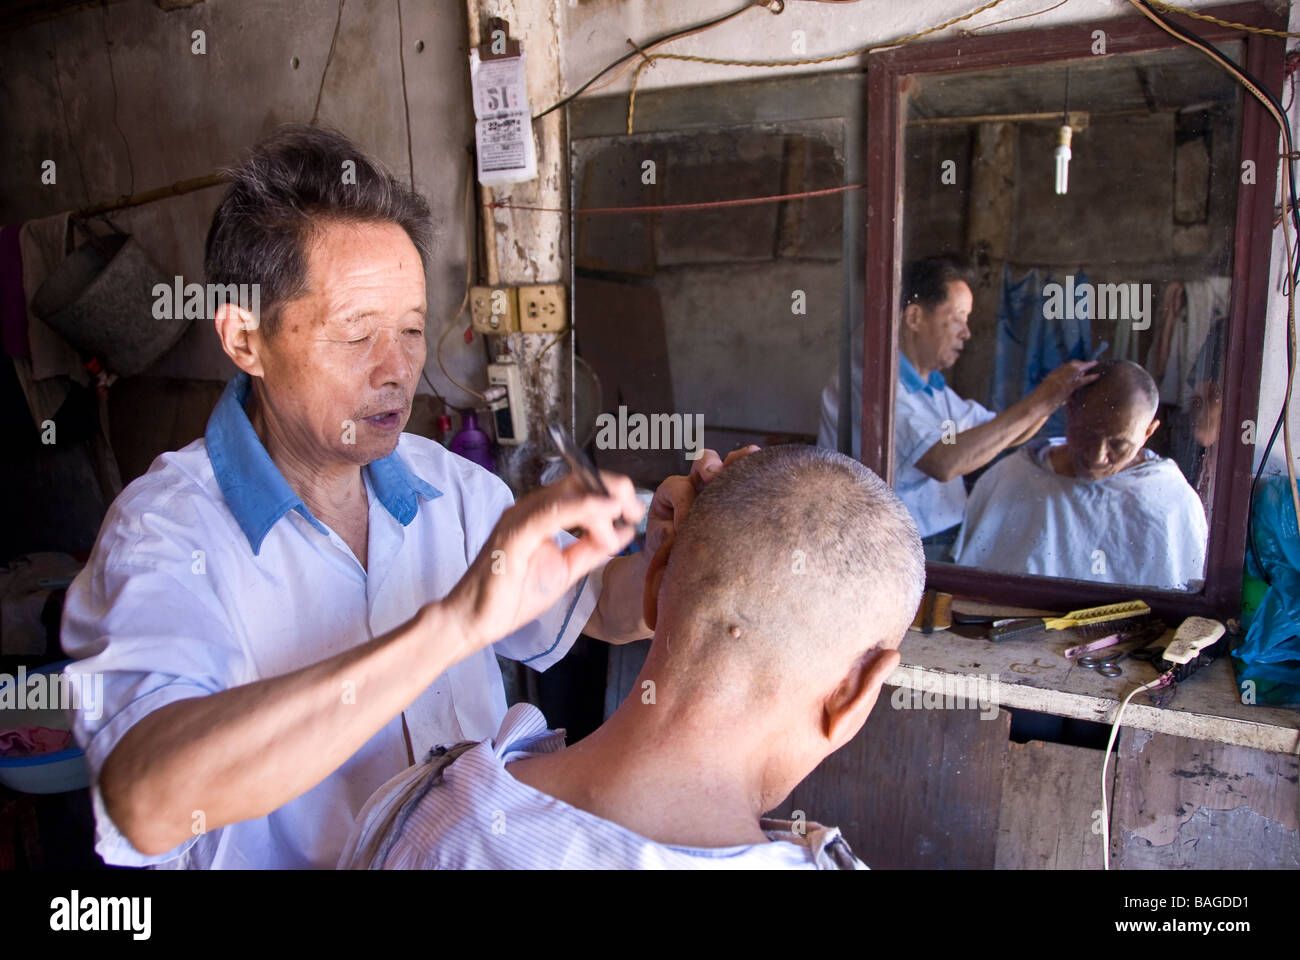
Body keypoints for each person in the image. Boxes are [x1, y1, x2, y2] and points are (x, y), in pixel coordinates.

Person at [58, 125, 731, 869]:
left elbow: (595, 604)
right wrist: (452, 626)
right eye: (356, 336)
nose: (396, 370)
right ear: (244, 338)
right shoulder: (164, 535)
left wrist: (680, 557)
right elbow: (145, 802)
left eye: (411, 330)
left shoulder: (446, 485)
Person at [340, 445, 925, 870]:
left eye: (412, 330)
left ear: (652, 584)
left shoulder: (419, 815)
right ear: (856, 695)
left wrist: (670, 556)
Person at [818, 256, 1098, 554]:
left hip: (937, 539)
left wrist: (1054, 399)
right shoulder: (872, 383)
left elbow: (1005, 434)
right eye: (958, 318)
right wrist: (1044, 397)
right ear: (914, 318)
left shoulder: (933, 388)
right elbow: (944, 462)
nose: (967, 332)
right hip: (886, 547)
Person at [949, 360, 1207, 590]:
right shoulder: (1013, 478)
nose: (1097, 456)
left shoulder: (1170, 500)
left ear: (1148, 433)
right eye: (1087, 435)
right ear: (1070, 411)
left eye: (1118, 445)